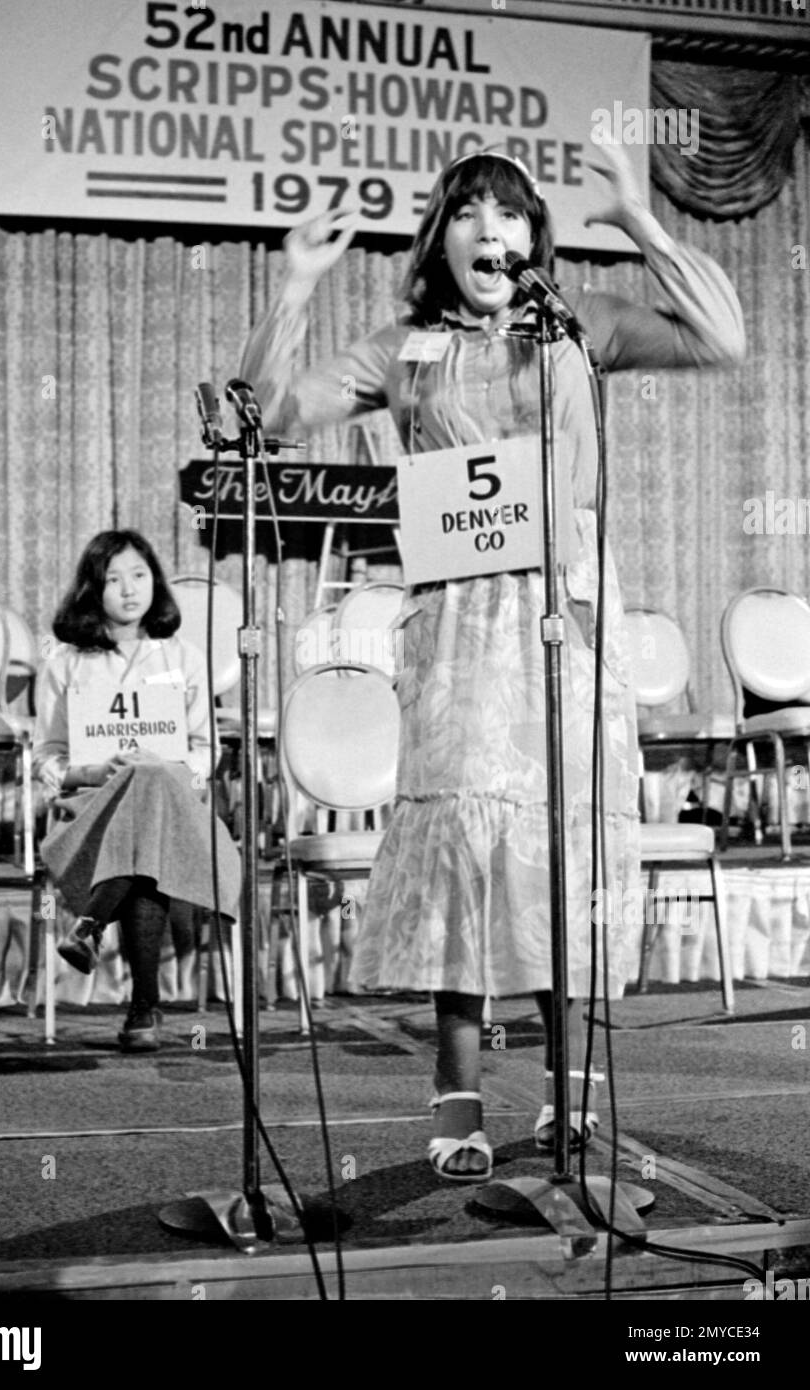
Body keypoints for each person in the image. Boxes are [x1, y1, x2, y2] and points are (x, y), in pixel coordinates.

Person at [241, 141, 745, 1180]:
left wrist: (645, 222)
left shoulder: (574, 324)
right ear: (439, 235)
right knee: (465, 859)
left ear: (530, 240)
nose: (487, 228)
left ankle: (570, 1104)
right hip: (459, 624)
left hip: (565, 615)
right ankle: (456, 1101)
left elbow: (720, 338)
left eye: (506, 213)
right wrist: (292, 283)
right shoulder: (408, 348)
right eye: (465, 211)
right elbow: (269, 413)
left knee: (562, 855)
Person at [32, 530, 241, 1051]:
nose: (129, 590)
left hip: (169, 806)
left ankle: (91, 926)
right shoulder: (65, 665)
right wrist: (97, 771)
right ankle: (143, 1010)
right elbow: (46, 760)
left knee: (150, 787)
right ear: (92, 590)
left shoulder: (184, 659)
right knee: (142, 813)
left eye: (140, 576)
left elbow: (205, 753)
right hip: (91, 811)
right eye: (113, 579)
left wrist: (166, 770)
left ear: (156, 583)